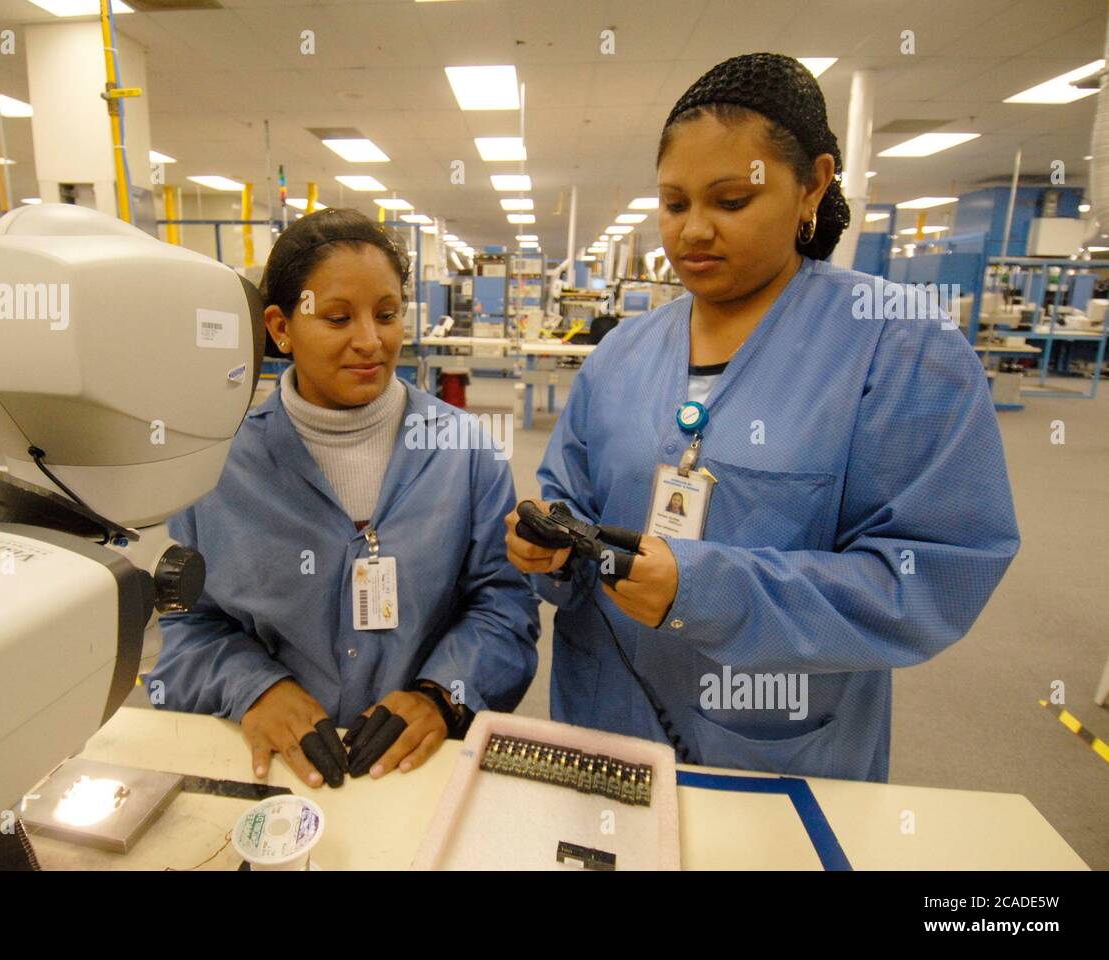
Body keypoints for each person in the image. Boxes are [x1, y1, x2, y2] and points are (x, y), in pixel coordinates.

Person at [505, 53, 1019, 783]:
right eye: (675, 205)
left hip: (768, 746)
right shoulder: (622, 353)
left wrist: (708, 591)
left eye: (731, 202)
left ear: (813, 183)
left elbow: (932, 577)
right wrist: (547, 549)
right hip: (604, 718)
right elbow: (570, 494)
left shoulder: (897, 347)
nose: (694, 232)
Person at [152, 208, 539, 788]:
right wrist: (255, 687)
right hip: (275, 765)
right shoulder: (219, 467)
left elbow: (505, 606)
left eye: (387, 315)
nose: (370, 341)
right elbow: (190, 625)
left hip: (415, 767)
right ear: (281, 327)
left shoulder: (465, 453)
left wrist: (441, 695)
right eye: (337, 318)